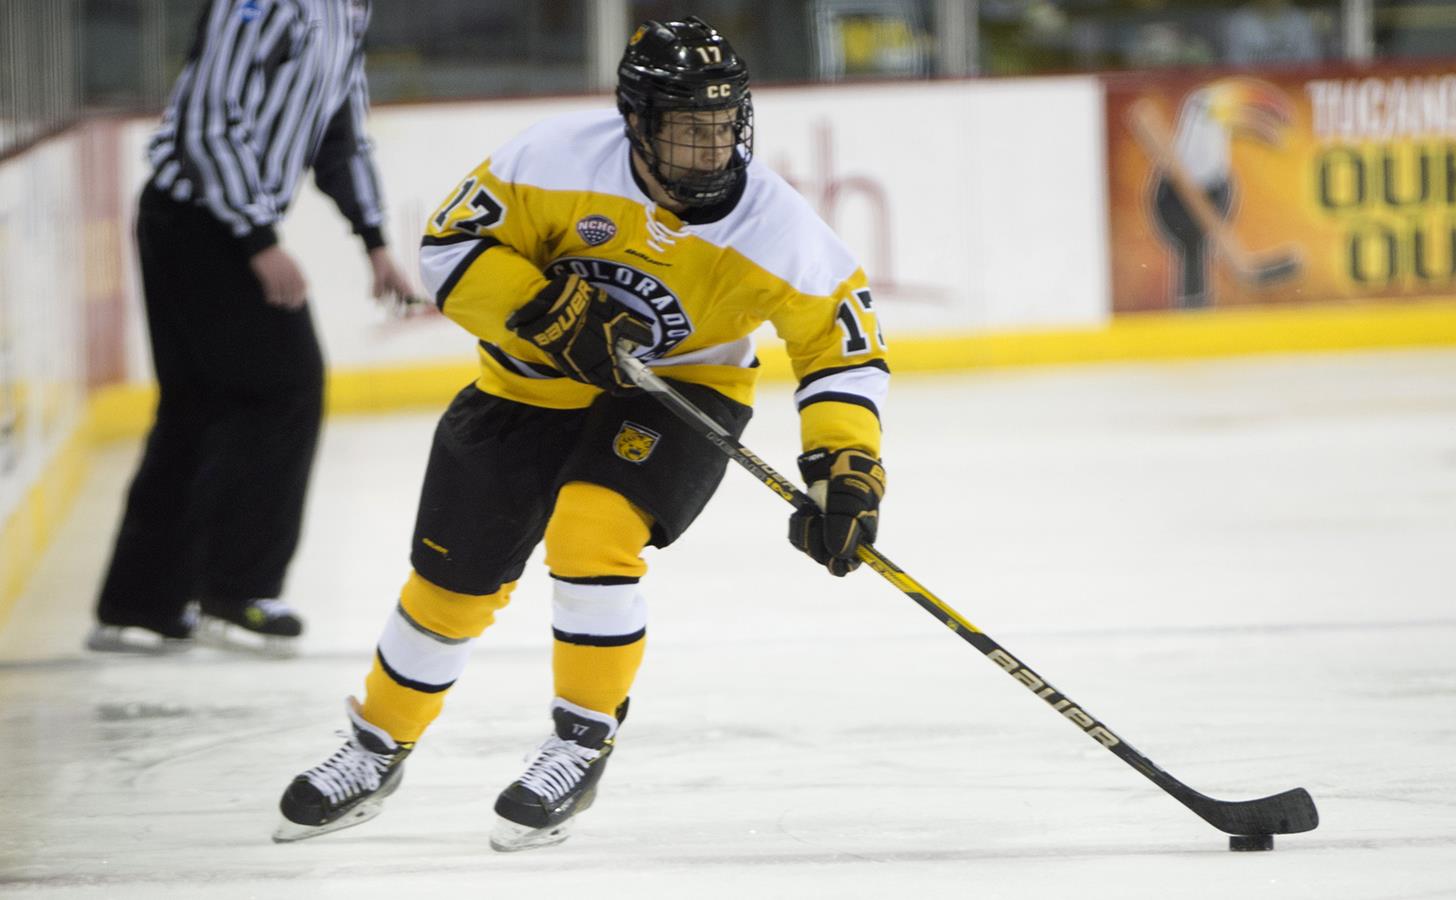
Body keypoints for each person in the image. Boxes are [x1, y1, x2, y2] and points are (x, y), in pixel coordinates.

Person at [272, 17, 890, 851]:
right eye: (684, 131)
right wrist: (541, 312)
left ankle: (578, 742)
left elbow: (842, 352)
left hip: (678, 393)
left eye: (721, 127)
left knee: (592, 533)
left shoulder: (779, 230)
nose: (709, 151)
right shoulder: (552, 160)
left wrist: (846, 468)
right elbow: (448, 251)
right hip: (523, 387)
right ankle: (375, 745)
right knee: (450, 589)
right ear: (636, 123)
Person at [87, 0, 418, 656]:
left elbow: (340, 138)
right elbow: (207, 119)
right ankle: (236, 592)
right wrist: (259, 238)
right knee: (284, 388)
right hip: (195, 221)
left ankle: (141, 604)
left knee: (200, 406)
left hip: (212, 224)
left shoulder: (347, 11)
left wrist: (375, 241)